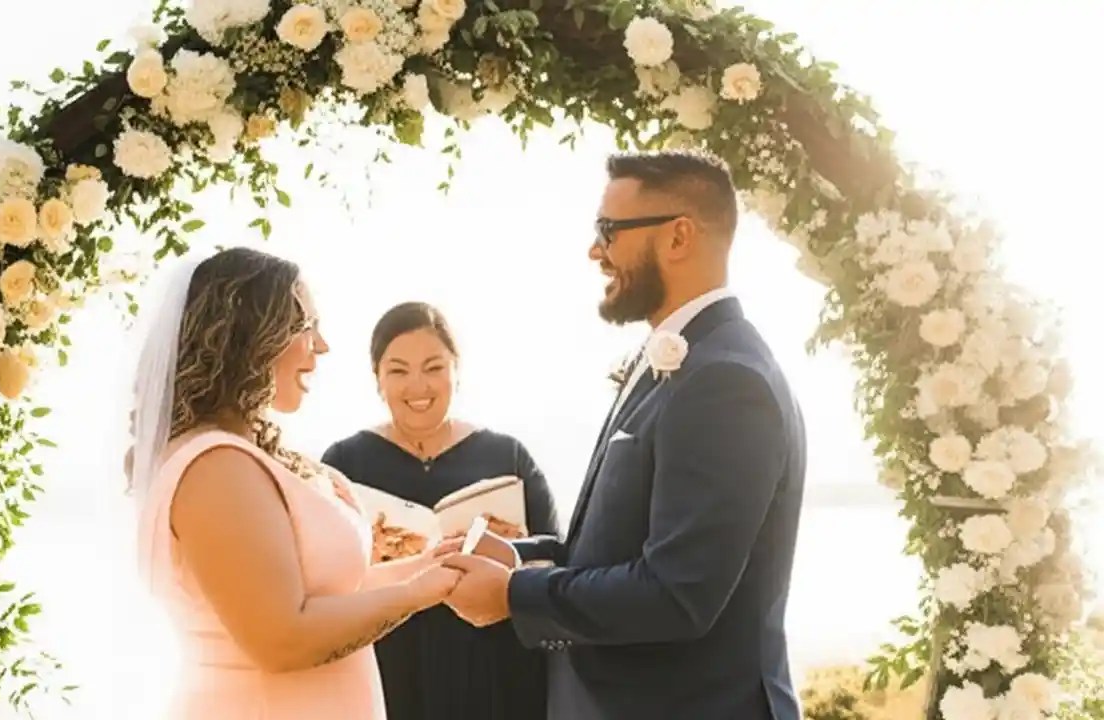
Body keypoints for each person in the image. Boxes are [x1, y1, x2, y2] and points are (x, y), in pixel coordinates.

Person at [441, 151, 809, 720]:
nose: (595, 250)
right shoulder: (680, 360)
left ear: (678, 238)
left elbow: (676, 594)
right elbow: (614, 547)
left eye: (608, 231)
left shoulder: (726, 380)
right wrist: (514, 557)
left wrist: (512, 596)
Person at [128, 248, 461, 719]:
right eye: (306, 327)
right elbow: (282, 639)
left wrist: (429, 568)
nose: (321, 346)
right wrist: (418, 594)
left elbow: (332, 594)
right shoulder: (216, 468)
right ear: (250, 337)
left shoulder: (249, 456)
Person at [322, 301, 559, 720]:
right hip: (389, 664)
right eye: (398, 370)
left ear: (456, 370)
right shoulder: (344, 463)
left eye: (434, 367)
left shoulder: (507, 456)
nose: (418, 386)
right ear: (377, 378)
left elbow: (554, 556)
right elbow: (322, 580)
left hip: (495, 666)